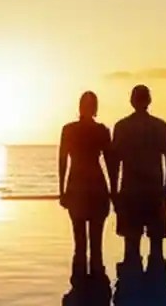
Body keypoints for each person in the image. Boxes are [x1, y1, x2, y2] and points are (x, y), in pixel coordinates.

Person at [109, 84, 166, 266]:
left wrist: (114, 192)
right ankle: (154, 288)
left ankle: (133, 289)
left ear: (132, 101)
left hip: (131, 192)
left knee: (131, 249)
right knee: (156, 250)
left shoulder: (122, 127)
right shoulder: (160, 126)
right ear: (149, 101)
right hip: (153, 191)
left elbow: (115, 164)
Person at [59, 91, 114, 282]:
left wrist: (62, 190)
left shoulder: (69, 130)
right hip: (94, 186)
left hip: (78, 185)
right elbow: (111, 163)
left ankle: (81, 289)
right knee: (94, 244)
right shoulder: (101, 131)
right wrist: (113, 190)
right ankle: (95, 288)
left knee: (80, 243)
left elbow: (62, 161)